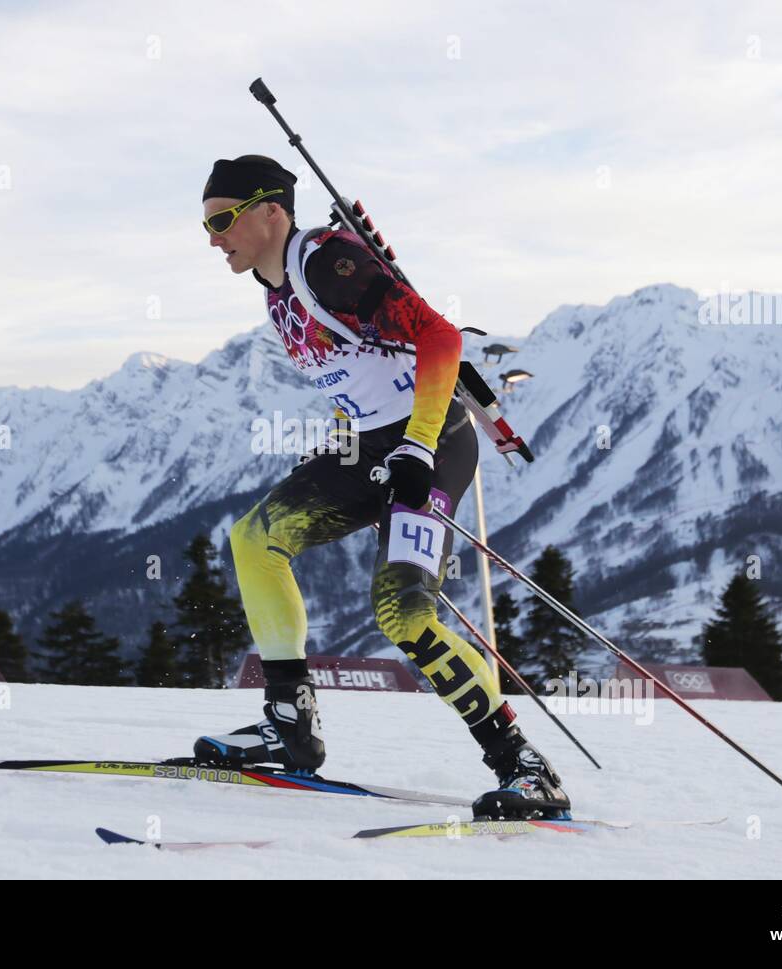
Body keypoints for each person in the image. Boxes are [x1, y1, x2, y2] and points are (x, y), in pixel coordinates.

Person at [195, 154, 569, 820]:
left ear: (270, 211)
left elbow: (440, 337)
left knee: (403, 612)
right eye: (206, 226)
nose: (214, 237)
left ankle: (527, 768)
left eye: (222, 220)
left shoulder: (323, 263)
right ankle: (291, 723)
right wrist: (346, 443)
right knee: (254, 538)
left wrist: (417, 447)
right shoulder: (276, 289)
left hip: (436, 440)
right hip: (368, 446)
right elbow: (359, 370)